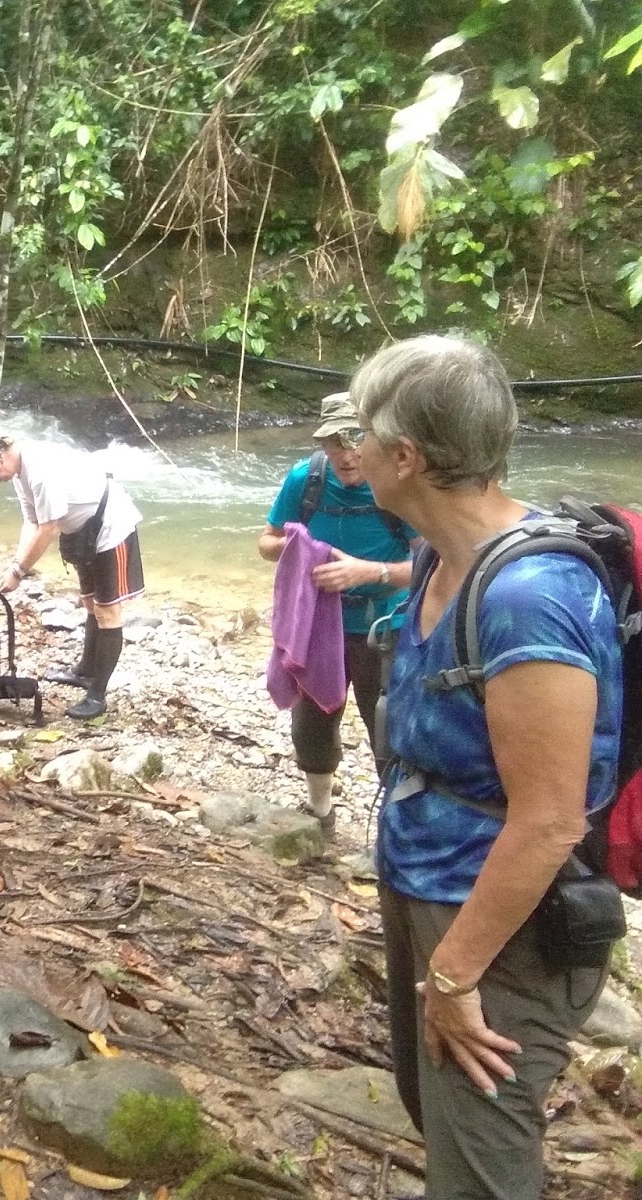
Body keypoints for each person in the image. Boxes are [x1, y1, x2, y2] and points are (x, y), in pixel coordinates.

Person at [357, 336, 621, 1199]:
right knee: (434, 1111)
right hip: (429, 880)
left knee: (480, 1161)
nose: (349, 451)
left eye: (363, 434)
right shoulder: (439, 553)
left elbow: (550, 819)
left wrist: (456, 973)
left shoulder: (528, 598)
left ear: (406, 457)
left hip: (504, 925)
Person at [258, 392, 416, 835]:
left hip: (385, 626)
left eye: (355, 441)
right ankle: (320, 813)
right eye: (334, 442)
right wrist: (299, 550)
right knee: (311, 723)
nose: (346, 455)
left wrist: (369, 571)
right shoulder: (305, 479)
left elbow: (433, 565)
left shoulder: (395, 485)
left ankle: (396, 826)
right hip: (317, 626)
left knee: (388, 728)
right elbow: (266, 542)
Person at [0, 435, 142, 721]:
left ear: (0, 457)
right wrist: (14, 564)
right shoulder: (20, 472)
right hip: (82, 531)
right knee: (90, 603)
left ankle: (97, 695)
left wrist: (19, 572)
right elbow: (31, 522)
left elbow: (48, 529)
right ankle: (85, 670)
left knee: (108, 611)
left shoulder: (40, 471)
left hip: (110, 526)